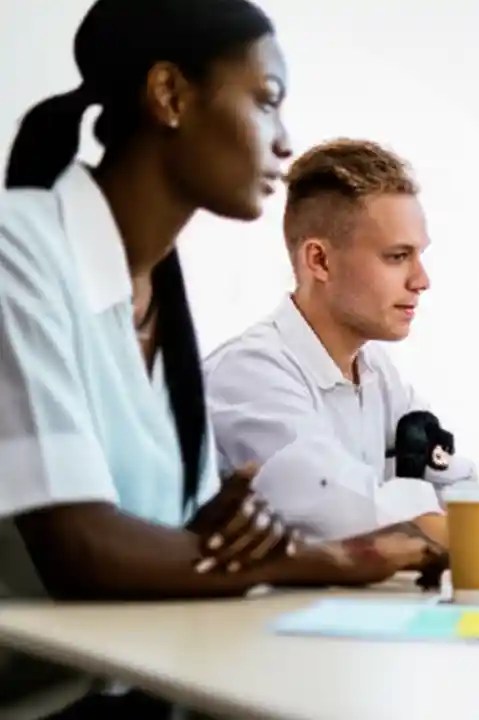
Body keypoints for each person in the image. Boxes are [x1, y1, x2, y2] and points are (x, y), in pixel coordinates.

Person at [0, 3, 415, 716]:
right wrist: (313, 559)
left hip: (146, 689)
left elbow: (162, 549)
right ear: (169, 95)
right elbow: (81, 548)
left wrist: (201, 536)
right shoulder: (20, 250)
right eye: (267, 101)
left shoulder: (161, 292)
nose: (285, 142)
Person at [205, 138, 479, 570]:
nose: (421, 279)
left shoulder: (378, 374)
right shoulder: (249, 373)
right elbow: (340, 514)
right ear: (319, 261)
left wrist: (418, 510)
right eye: (397, 257)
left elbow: (456, 489)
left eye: (419, 255)